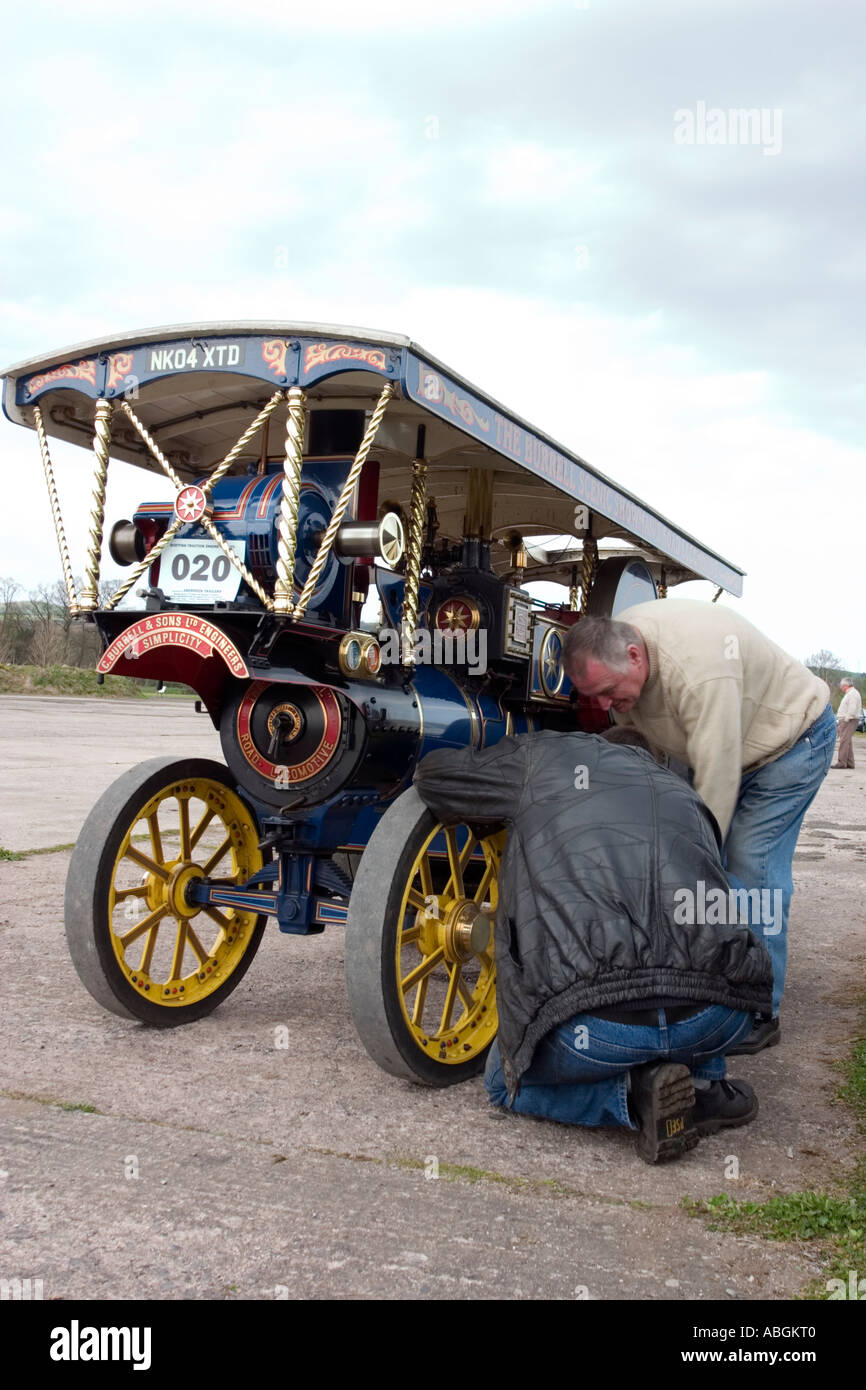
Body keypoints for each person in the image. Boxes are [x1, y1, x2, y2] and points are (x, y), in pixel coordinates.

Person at [413, 727, 772, 1164]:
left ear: (595, 745)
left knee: (500, 1084)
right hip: (715, 1019)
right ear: (651, 763)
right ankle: (706, 1087)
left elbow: (434, 778)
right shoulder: (686, 796)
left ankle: (630, 1096)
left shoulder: (545, 758)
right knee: (698, 972)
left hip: (597, 1032)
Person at [562, 600, 835, 1052]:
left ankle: (759, 1009)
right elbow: (648, 763)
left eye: (609, 692)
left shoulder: (700, 670)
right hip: (711, 744)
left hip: (790, 743)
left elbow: (718, 778)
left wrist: (686, 866)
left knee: (749, 865)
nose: (607, 705)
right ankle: (705, 983)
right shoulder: (621, 659)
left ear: (634, 656)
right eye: (596, 698)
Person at [832, 678, 862, 769]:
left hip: (849, 720)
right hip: (848, 720)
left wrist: (845, 720)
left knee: (844, 741)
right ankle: (850, 762)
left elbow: (852, 709)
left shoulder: (852, 694)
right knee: (847, 741)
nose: (841, 688)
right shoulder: (851, 693)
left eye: (841, 686)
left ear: (845, 686)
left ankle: (841, 762)